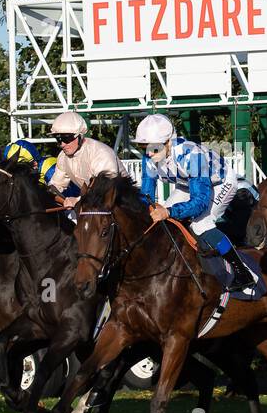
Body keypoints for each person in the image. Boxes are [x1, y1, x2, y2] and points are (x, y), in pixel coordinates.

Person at [134, 113, 256, 290]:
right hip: (187, 185)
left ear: (168, 142)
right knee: (163, 223)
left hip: (220, 183)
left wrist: (168, 211)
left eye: (153, 148)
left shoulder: (192, 155)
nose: (148, 153)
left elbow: (199, 203)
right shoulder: (149, 159)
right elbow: (146, 195)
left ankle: (242, 272)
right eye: (143, 147)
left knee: (201, 224)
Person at [44, 111, 124, 207]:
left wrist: (78, 200)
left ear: (80, 136)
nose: (62, 144)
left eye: (66, 138)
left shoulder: (100, 152)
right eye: (58, 139)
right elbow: (55, 186)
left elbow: (106, 187)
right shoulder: (62, 157)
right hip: (93, 204)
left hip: (121, 201)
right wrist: (63, 200)